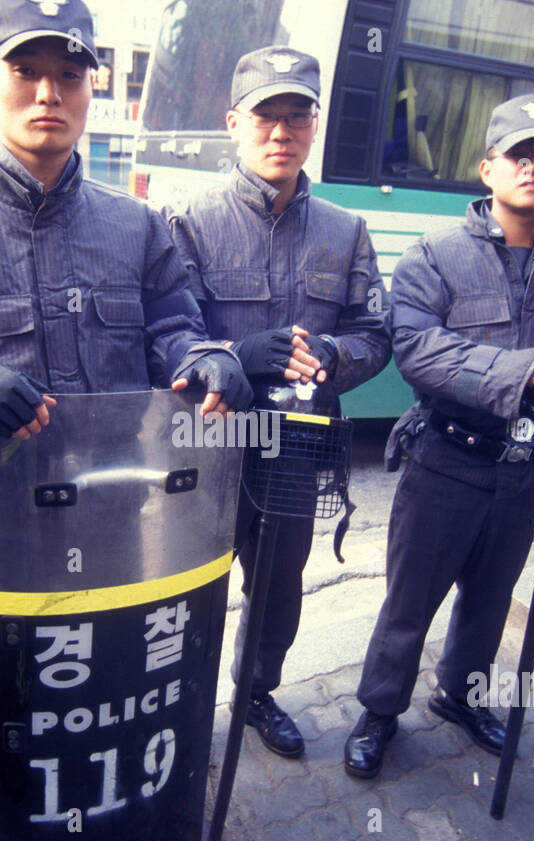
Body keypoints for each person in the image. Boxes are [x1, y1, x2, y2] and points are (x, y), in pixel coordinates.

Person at [343, 94, 534, 778]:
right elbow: (416, 349)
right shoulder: (435, 253)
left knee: (490, 597)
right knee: (409, 600)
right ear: (488, 169)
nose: (531, 167)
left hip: (532, 467)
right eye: (517, 155)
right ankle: (380, 710)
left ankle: (459, 695)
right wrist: (530, 365)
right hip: (447, 458)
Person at [0, 0, 249, 483]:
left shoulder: (138, 227)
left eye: (69, 74)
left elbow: (173, 332)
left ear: (90, 86)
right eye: (24, 71)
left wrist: (204, 358)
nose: (48, 94)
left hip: (120, 494)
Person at [165, 47, 390, 758]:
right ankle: (176, 701)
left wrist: (331, 356)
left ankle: (257, 691)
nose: (280, 132)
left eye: (297, 116)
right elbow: (165, 333)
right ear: (234, 123)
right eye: (266, 116)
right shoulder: (186, 221)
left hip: (295, 447)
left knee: (277, 588)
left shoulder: (346, 230)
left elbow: (376, 336)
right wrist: (232, 358)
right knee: (184, 588)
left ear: (314, 127)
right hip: (206, 446)